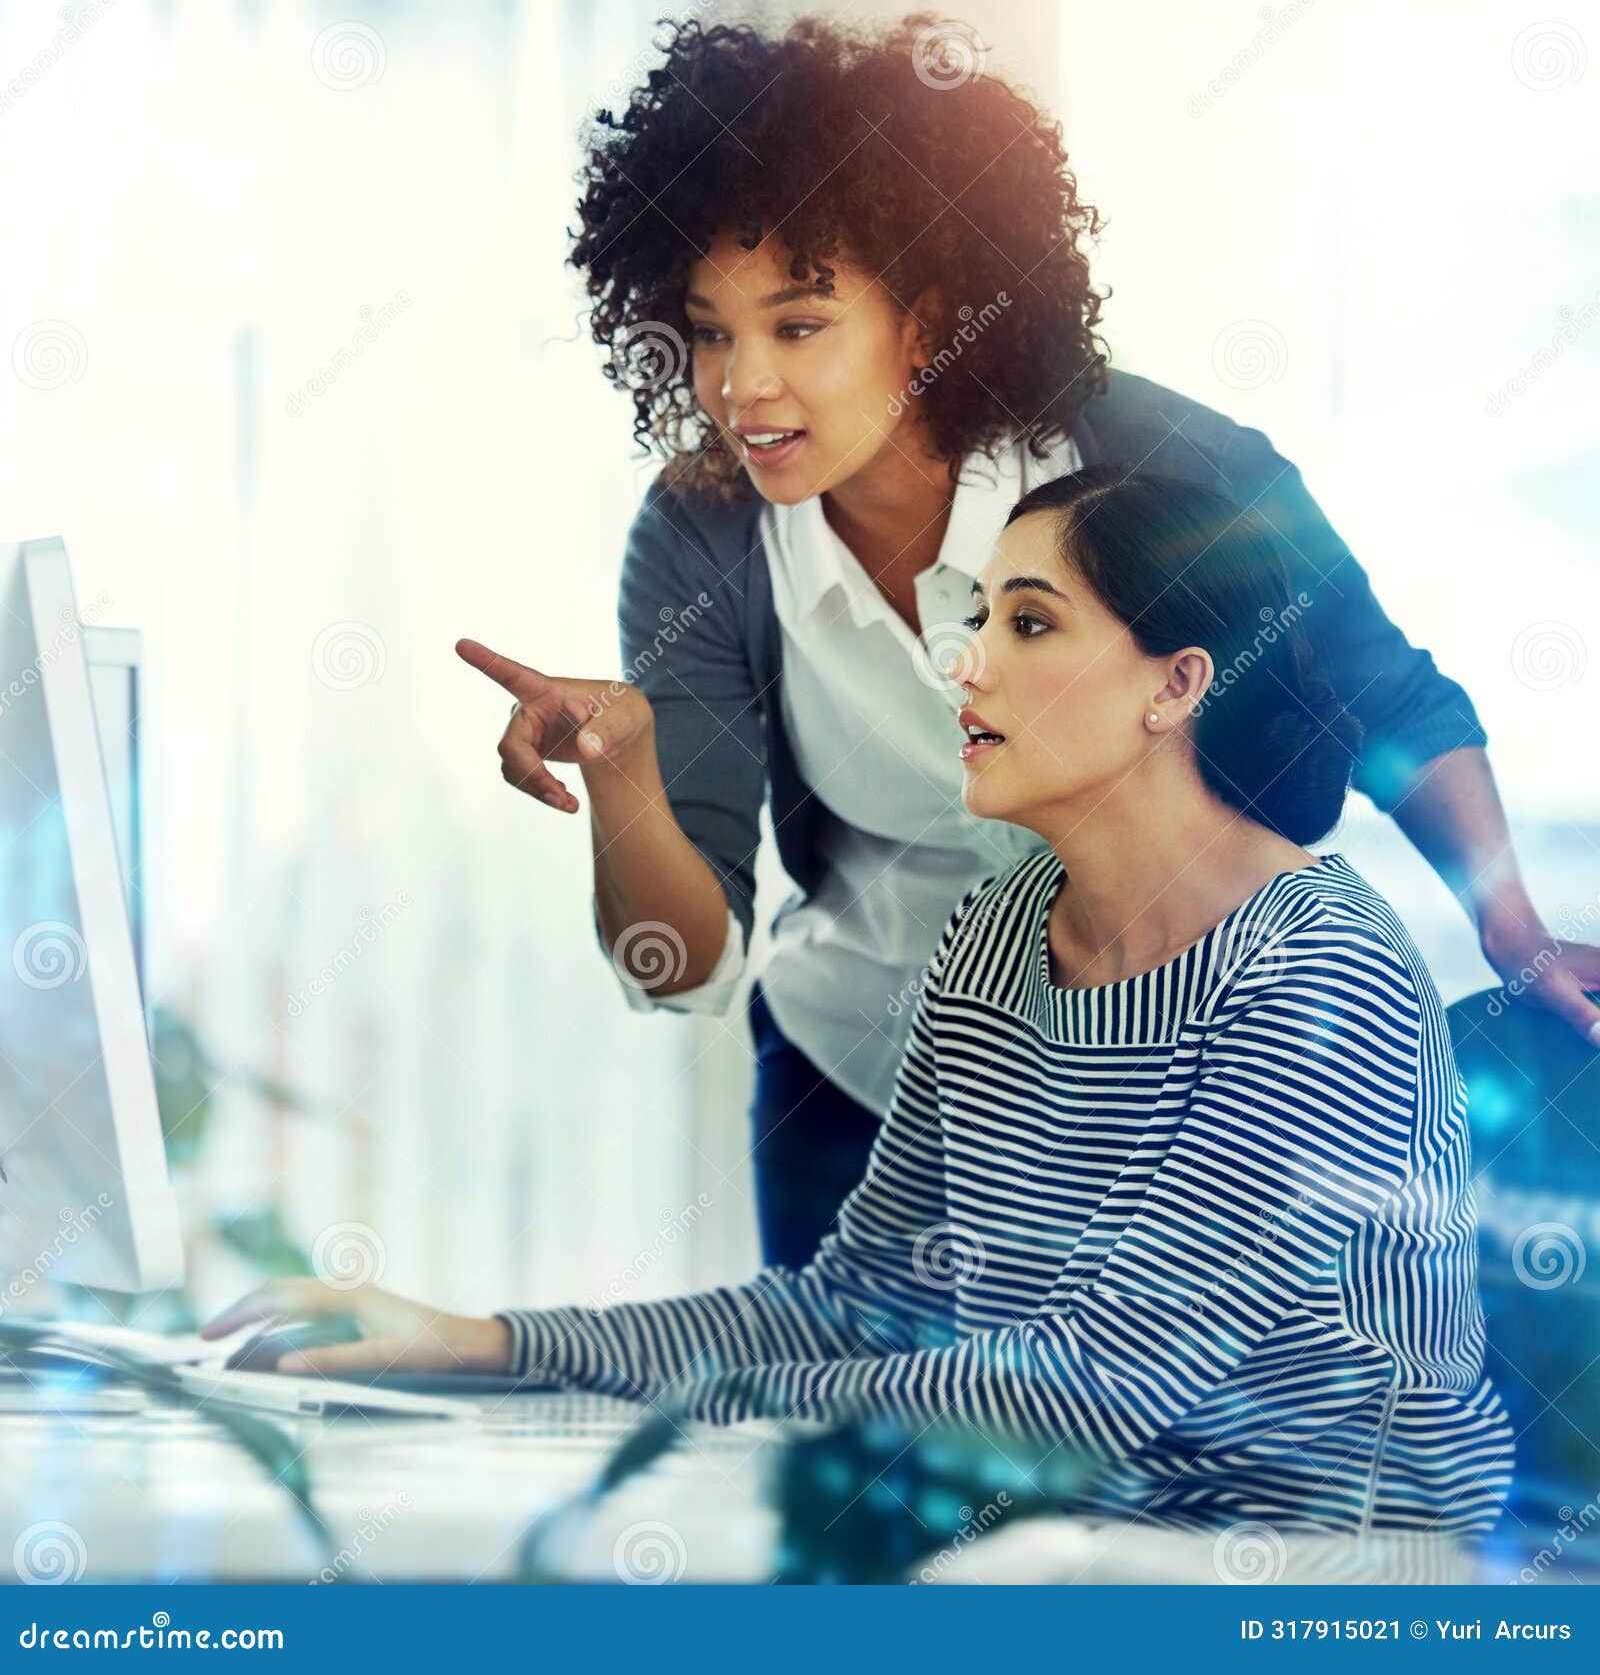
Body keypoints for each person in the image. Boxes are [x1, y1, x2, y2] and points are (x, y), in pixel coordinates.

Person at [454, 12, 1600, 1272]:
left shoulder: (1175, 468)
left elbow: (1392, 702)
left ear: (926, 312)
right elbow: (686, 962)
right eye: (710, 330)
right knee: (851, 1447)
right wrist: (623, 778)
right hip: (860, 1086)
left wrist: (1510, 925)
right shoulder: (702, 537)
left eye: (797, 325)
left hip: (1164, 1071)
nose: (740, 388)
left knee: (1127, 1444)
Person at [208, 469, 1515, 1537]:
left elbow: (1098, 1386)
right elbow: (851, 1302)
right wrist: (483, 1341)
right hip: (1076, 1546)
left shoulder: (1315, 967)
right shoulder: (996, 936)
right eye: (980, 614)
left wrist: (716, 1405)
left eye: (1031, 622)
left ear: (1176, 683)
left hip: (1324, 1578)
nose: (967, 665)